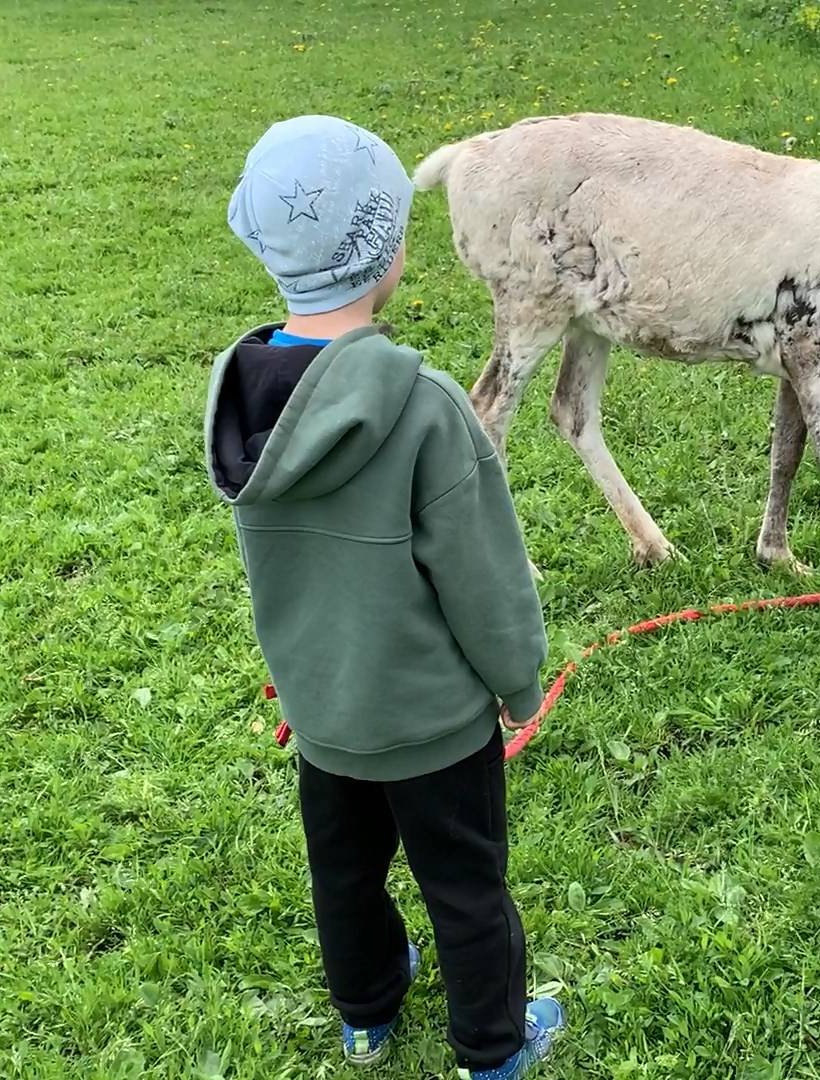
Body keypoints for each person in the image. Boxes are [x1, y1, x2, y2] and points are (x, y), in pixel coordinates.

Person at [205, 114, 563, 1077]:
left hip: (321, 714)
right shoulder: (425, 407)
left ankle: (366, 1012)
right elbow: (484, 580)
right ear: (393, 251)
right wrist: (519, 685)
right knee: (466, 886)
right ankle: (492, 1045)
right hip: (434, 725)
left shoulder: (241, 403)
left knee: (345, 871)